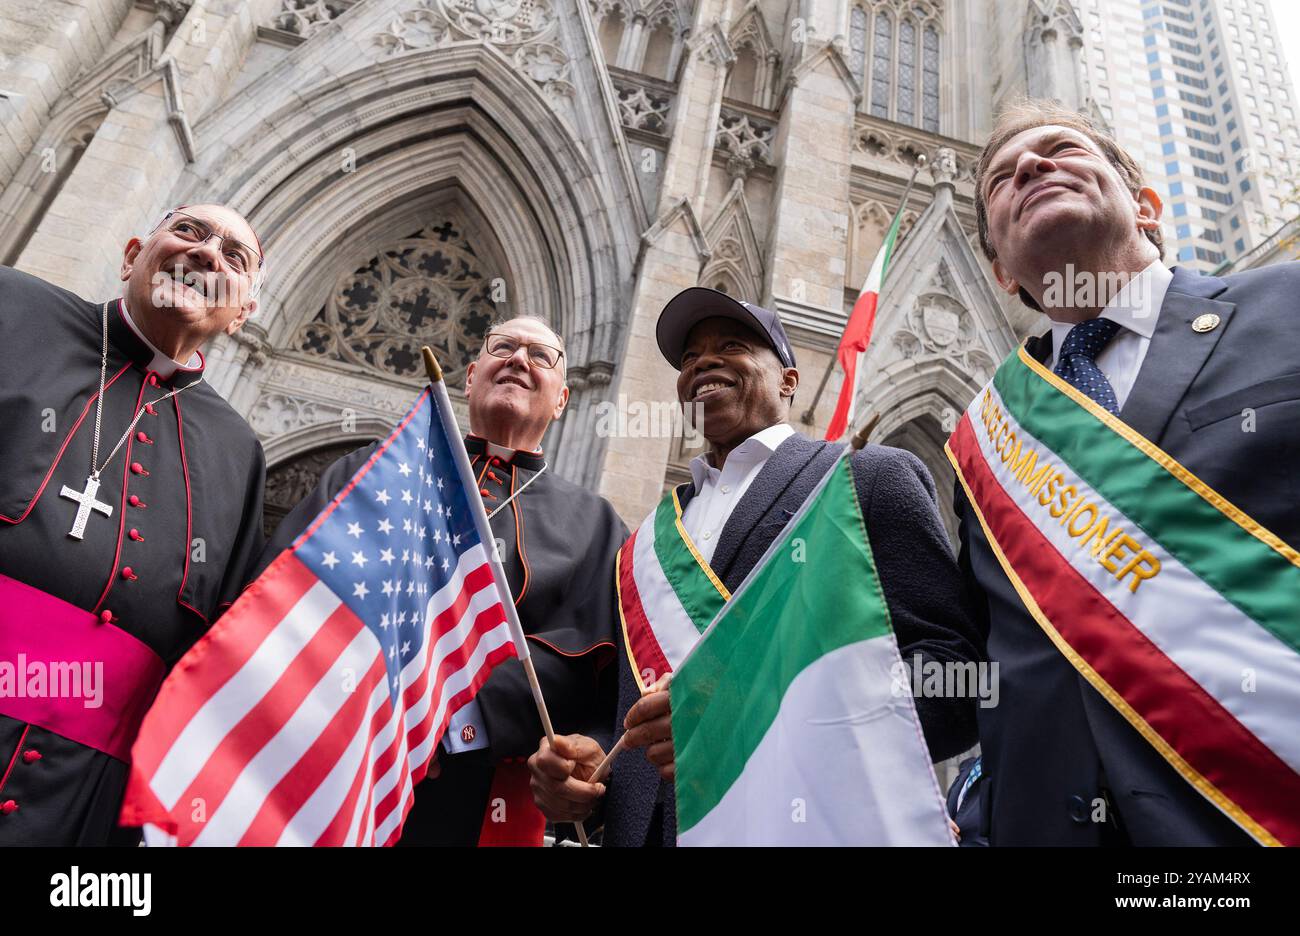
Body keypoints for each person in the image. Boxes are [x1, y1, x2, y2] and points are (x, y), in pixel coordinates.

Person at [955, 99, 1300, 845]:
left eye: (1059, 149)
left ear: (1146, 206)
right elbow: (980, 666)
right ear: (1001, 274)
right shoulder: (981, 443)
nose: (1031, 168)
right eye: (1002, 181)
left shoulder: (1288, 306)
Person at [527, 287, 984, 845]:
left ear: (789, 381)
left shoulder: (867, 478)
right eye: (690, 358)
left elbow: (953, 680)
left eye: (732, 345)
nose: (703, 363)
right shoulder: (641, 547)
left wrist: (765, 731)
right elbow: (631, 723)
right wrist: (588, 777)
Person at [255, 314, 626, 845]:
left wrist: (451, 723)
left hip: (484, 789)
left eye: (541, 356)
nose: (519, 360)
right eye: (504, 348)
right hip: (338, 755)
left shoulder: (596, 525)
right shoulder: (372, 471)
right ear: (471, 375)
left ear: (562, 399)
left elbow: (603, 682)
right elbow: (287, 594)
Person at [0, 204, 268, 844]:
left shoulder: (236, 450)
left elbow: (220, 650)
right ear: (129, 256)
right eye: (189, 233)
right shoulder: (14, 311)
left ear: (241, 316)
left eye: (235, 258)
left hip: (81, 791)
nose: (206, 255)